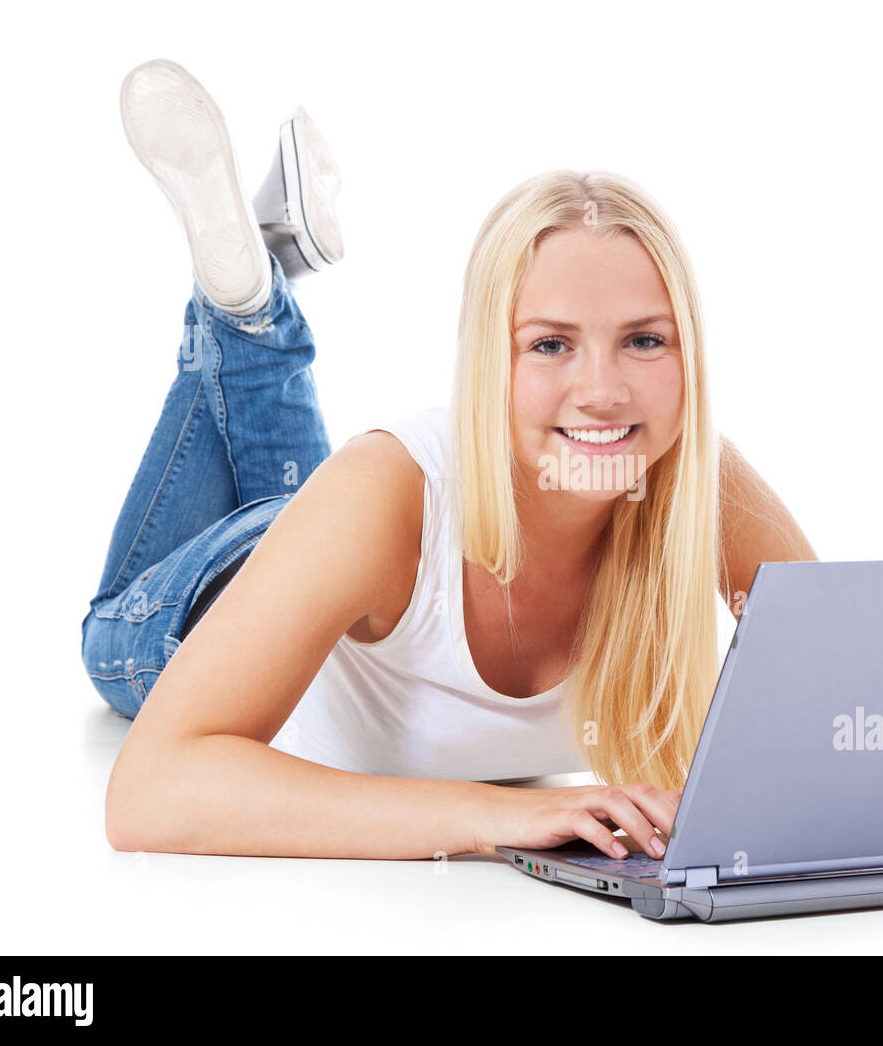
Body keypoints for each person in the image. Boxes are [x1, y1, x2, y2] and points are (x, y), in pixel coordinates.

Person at [86, 59, 817, 863]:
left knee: (310, 506)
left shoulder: (697, 481)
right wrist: (494, 820)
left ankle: (263, 279)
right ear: (486, 366)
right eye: (550, 344)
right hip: (186, 610)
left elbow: (859, 704)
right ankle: (247, 310)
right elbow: (148, 790)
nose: (603, 391)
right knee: (137, 602)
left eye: (644, 340)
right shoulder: (384, 493)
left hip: (335, 559)